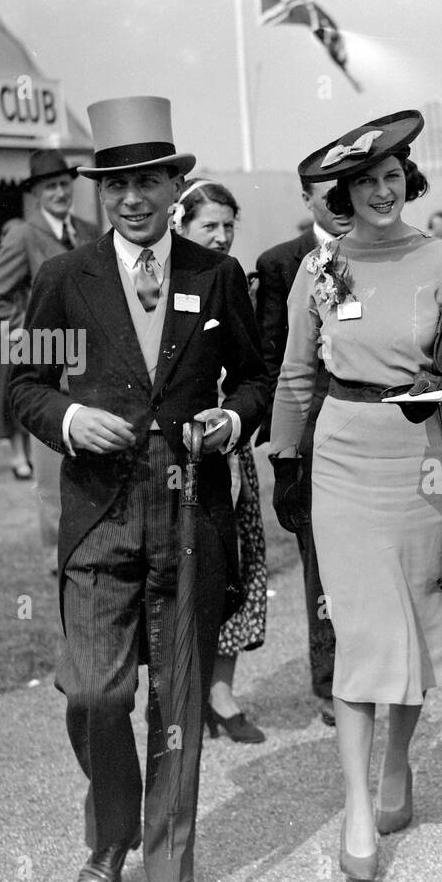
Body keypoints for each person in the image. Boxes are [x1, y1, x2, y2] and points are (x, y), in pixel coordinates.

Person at [10, 96, 272, 882]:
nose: (133, 198)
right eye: (117, 183)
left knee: (181, 697)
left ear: (174, 185)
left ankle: (170, 858)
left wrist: (233, 420)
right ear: (99, 192)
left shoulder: (215, 272)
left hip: (191, 508)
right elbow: (20, 385)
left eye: (149, 181)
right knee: (94, 692)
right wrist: (67, 418)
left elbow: (258, 378)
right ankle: (109, 834)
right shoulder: (64, 278)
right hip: (100, 508)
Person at [269, 110, 442, 882]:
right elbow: (298, 374)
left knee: (414, 622)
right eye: (365, 181)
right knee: (364, 632)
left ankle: (398, 763)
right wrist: (285, 458)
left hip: (422, 454)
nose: (382, 191)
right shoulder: (320, 269)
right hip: (342, 453)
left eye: (392, 177)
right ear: (344, 193)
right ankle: (358, 808)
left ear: (409, 180)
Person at [170, 178, 268, 742]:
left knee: (238, 567)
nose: (223, 236)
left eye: (229, 226)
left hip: (226, 447)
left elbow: (253, 368)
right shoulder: (161, 284)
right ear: (181, 226)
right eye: (210, 225)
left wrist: (232, 420)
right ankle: (187, 688)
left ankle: (222, 693)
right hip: (174, 452)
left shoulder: (233, 280)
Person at [254, 175, 354, 728]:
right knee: (320, 560)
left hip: (375, 430)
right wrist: (285, 445)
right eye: (329, 195)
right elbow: (276, 360)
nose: (342, 205)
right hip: (313, 432)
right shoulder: (282, 263)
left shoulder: (376, 251)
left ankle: (380, 668)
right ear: (307, 200)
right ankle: (330, 681)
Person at [0, 150, 99, 578]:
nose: (61, 192)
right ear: (36, 194)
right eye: (50, 186)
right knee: (50, 463)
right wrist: (31, 339)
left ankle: (95, 544)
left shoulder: (88, 230)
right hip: (51, 365)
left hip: (95, 361)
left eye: (65, 184)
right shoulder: (24, 236)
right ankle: (56, 554)